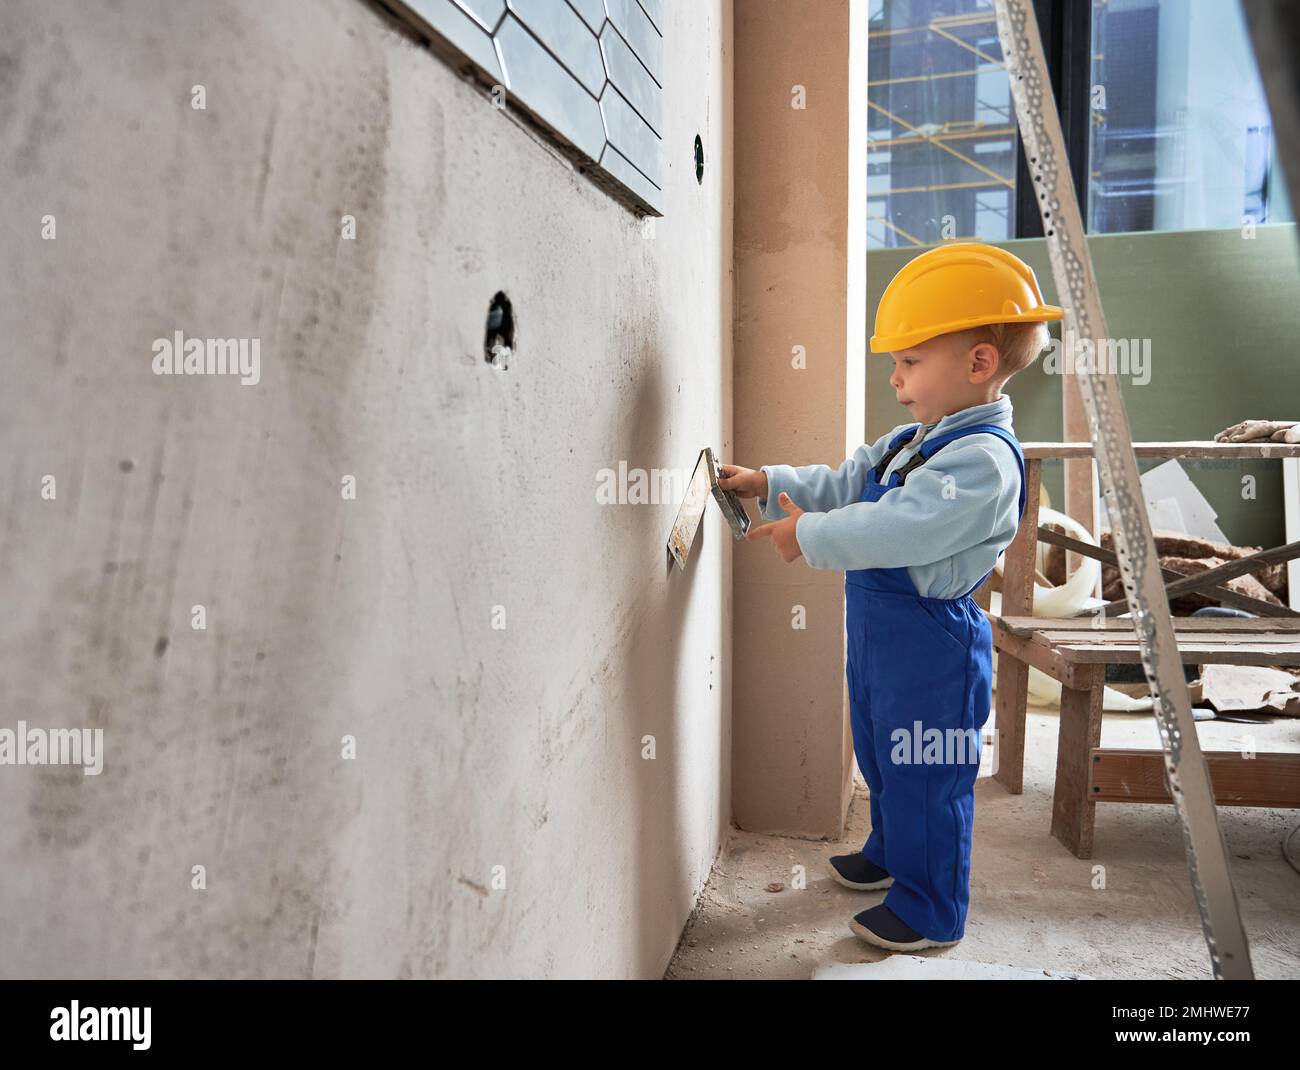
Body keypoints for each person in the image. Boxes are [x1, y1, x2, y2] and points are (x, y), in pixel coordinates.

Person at [719, 242, 1062, 951]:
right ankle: (888, 852)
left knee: (926, 771)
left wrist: (809, 536)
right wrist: (769, 479)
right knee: (879, 750)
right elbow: (852, 483)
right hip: (883, 635)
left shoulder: (984, 461)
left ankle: (931, 907)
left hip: (932, 643)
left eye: (910, 362)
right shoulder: (919, 436)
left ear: (978, 364)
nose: (897, 379)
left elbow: (900, 526)